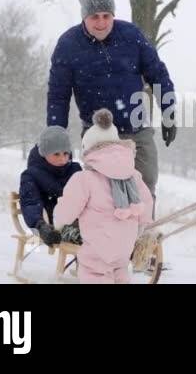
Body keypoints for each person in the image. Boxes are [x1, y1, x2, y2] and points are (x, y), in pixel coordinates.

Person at [47, 0, 176, 204]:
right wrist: (56, 137)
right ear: (84, 18)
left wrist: (168, 113)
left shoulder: (131, 36)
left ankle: (141, 236)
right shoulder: (68, 45)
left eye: (106, 16)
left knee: (145, 185)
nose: (101, 23)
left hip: (136, 128)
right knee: (103, 196)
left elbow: (158, 74)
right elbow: (58, 96)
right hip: (98, 133)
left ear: (113, 15)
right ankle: (107, 237)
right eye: (94, 17)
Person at [54, 109, 154, 284]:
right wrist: (142, 225)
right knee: (120, 272)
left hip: (98, 247)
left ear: (89, 149)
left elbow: (68, 208)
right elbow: (146, 201)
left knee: (95, 273)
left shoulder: (85, 179)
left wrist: (58, 222)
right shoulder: (133, 175)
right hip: (125, 245)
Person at [19, 126, 82, 247]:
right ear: (44, 154)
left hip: (84, 220)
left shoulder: (75, 170)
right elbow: (30, 203)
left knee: (109, 233)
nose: (62, 159)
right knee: (91, 238)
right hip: (55, 226)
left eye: (65, 153)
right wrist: (41, 226)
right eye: (56, 154)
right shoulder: (31, 175)